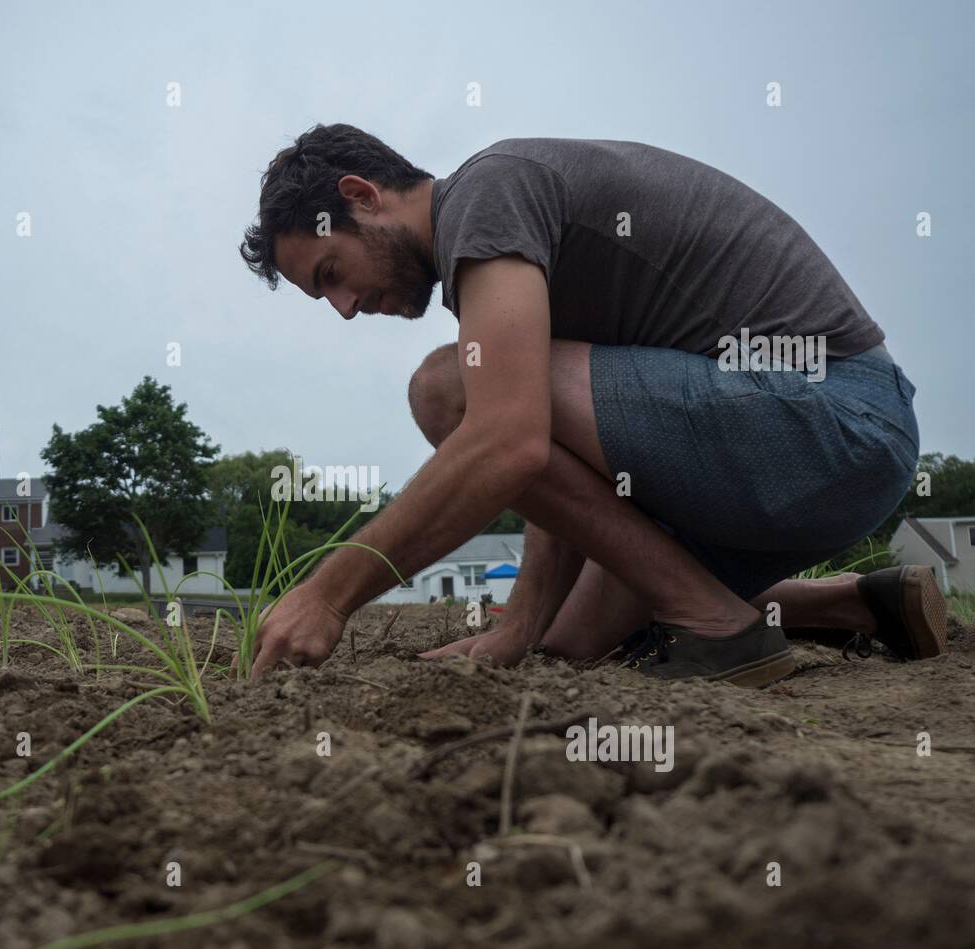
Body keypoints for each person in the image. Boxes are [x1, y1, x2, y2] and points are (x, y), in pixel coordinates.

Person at [238, 124, 944, 684]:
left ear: (361, 195)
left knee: (445, 389)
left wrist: (328, 593)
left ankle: (715, 622)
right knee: (571, 643)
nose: (346, 308)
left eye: (331, 274)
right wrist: (519, 630)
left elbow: (509, 438)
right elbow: (554, 452)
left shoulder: (487, 195)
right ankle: (858, 603)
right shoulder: (504, 250)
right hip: (811, 456)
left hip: (835, 418)